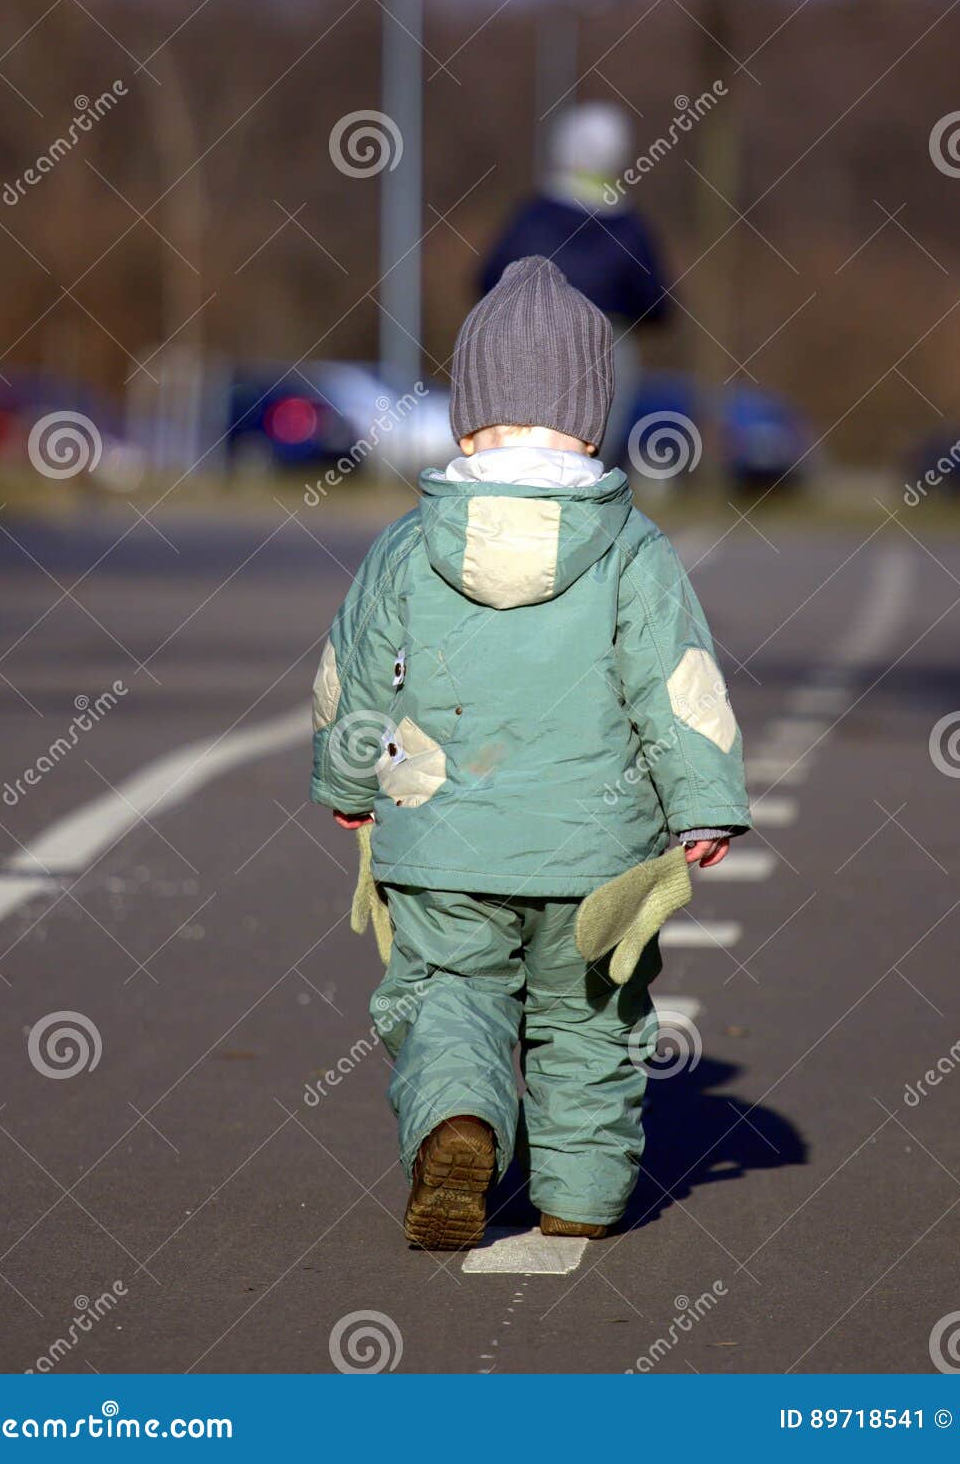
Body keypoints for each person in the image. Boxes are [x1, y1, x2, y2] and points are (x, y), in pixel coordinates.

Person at [311, 256, 749, 1250]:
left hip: (440, 838)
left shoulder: (404, 547)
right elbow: (677, 687)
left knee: (447, 992)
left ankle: (458, 1118)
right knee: (591, 1016)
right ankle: (582, 1198)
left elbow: (352, 682)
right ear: (591, 422)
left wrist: (347, 782)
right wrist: (702, 802)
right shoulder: (633, 550)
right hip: (593, 851)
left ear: (467, 422)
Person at [479, 102, 669, 463]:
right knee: (590, 457)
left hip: (525, 337)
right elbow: (656, 303)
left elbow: (486, 279)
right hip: (606, 345)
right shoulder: (629, 226)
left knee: (519, 450)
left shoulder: (531, 216)